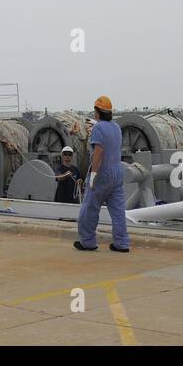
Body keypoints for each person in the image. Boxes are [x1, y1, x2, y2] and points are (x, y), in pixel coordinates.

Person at [75, 95, 129, 253]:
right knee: (118, 210)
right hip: (118, 172)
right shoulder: (116, 127)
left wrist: (93, 174)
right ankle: (122, 243)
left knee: (90, 207)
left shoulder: (98, 128)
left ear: (98, 112)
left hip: (103, 173)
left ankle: (88, 242)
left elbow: (98, 152)